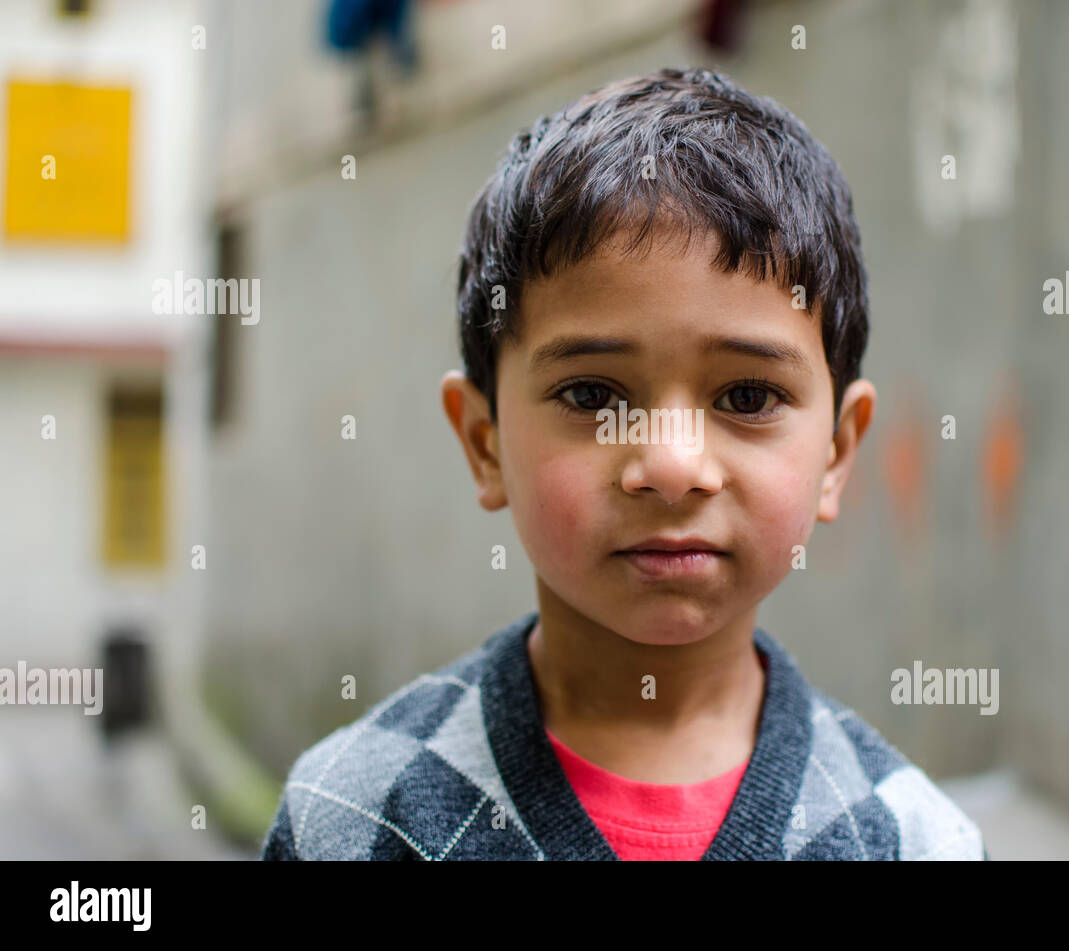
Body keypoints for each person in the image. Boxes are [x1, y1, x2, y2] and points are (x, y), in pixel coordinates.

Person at [261, 67, 987, 861]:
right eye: (592, 394)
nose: (672, 466)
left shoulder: (910, 840)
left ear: (837, 453)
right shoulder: (357, 816)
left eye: (747, 395)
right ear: (485, 441)